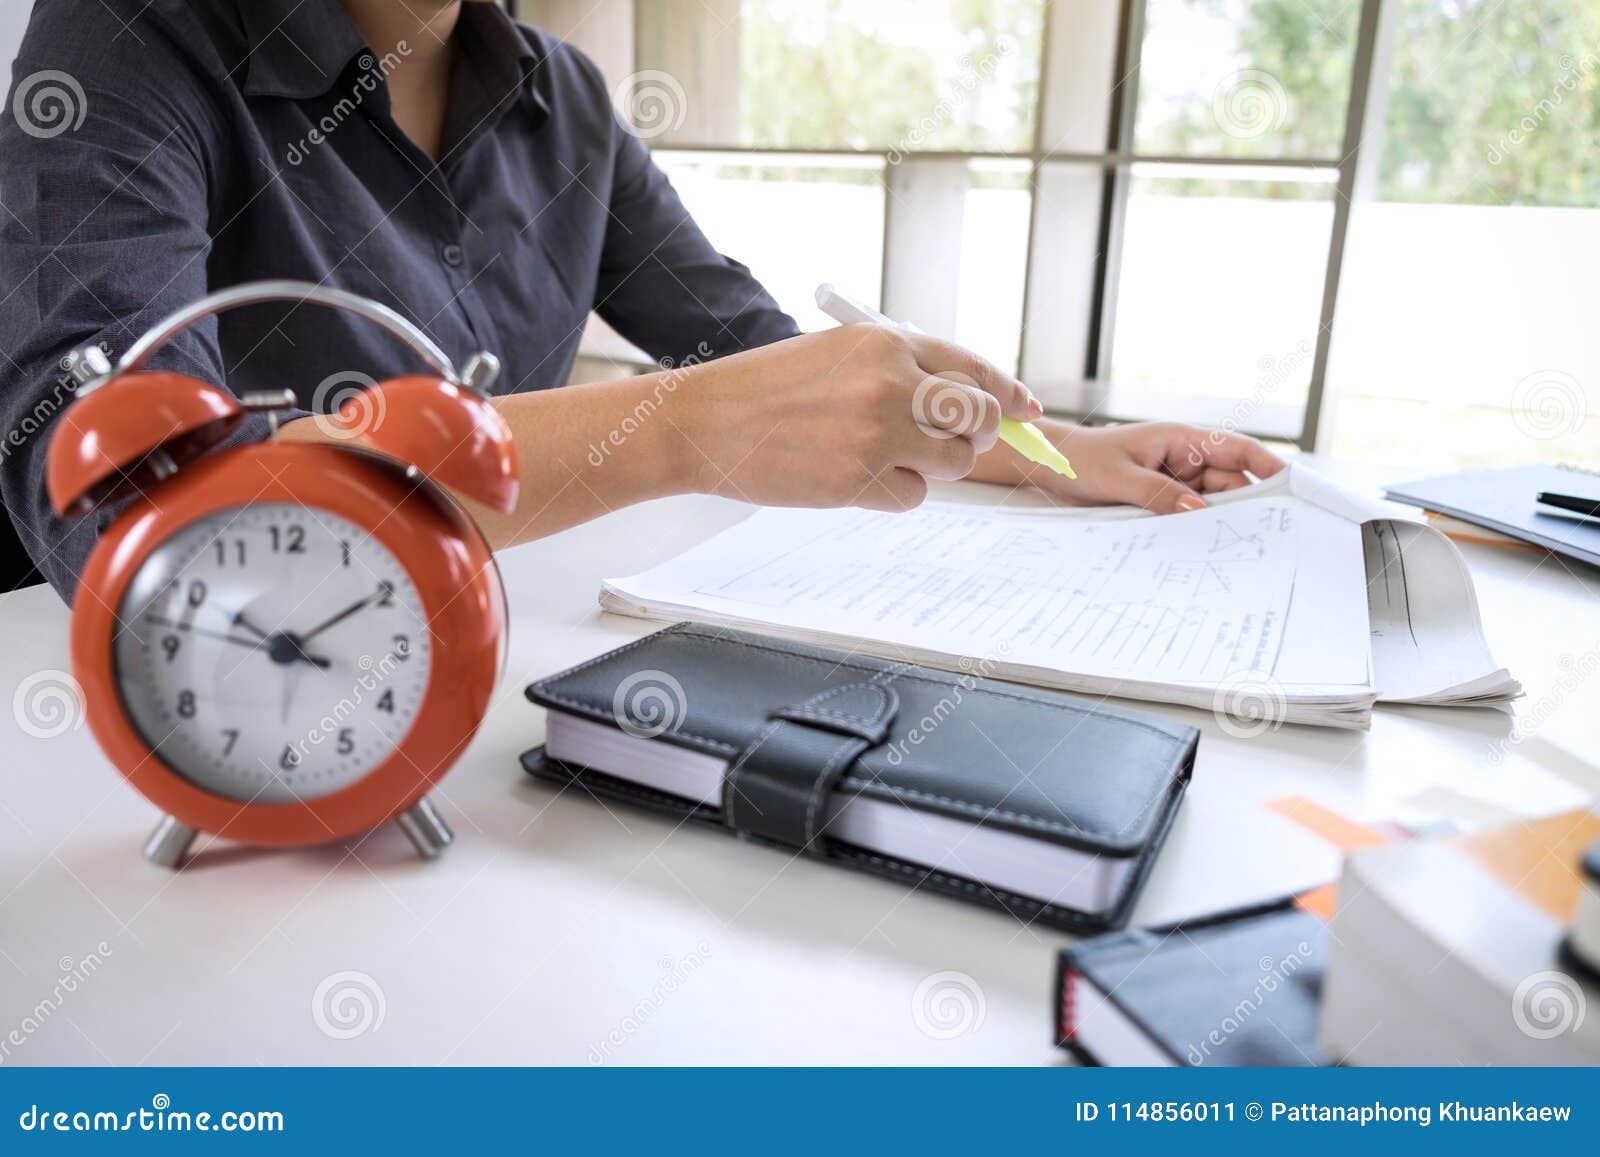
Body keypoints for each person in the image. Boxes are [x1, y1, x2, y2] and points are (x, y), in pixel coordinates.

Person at [0, 0, 1283, 598]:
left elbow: (754, 350)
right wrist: (683, 428)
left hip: (517, 674)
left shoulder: (562, 96)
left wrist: (1053, 453)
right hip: (249, 730)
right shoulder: (128, 39)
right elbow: (129, 510)